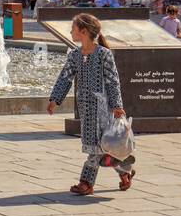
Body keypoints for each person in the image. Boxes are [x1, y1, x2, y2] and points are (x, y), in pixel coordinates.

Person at [47, 13, 134, 196]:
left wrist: (117, 105)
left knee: (98, 146)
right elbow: (65, 77)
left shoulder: (103, 54)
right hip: (85, 108)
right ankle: (125, 172)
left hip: (103, 108)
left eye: (74, 28)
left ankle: (86, 183)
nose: (71, 31)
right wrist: (55, 99)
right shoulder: (75, 55)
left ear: (84, 31)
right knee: (102, 147)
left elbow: (113, 81)